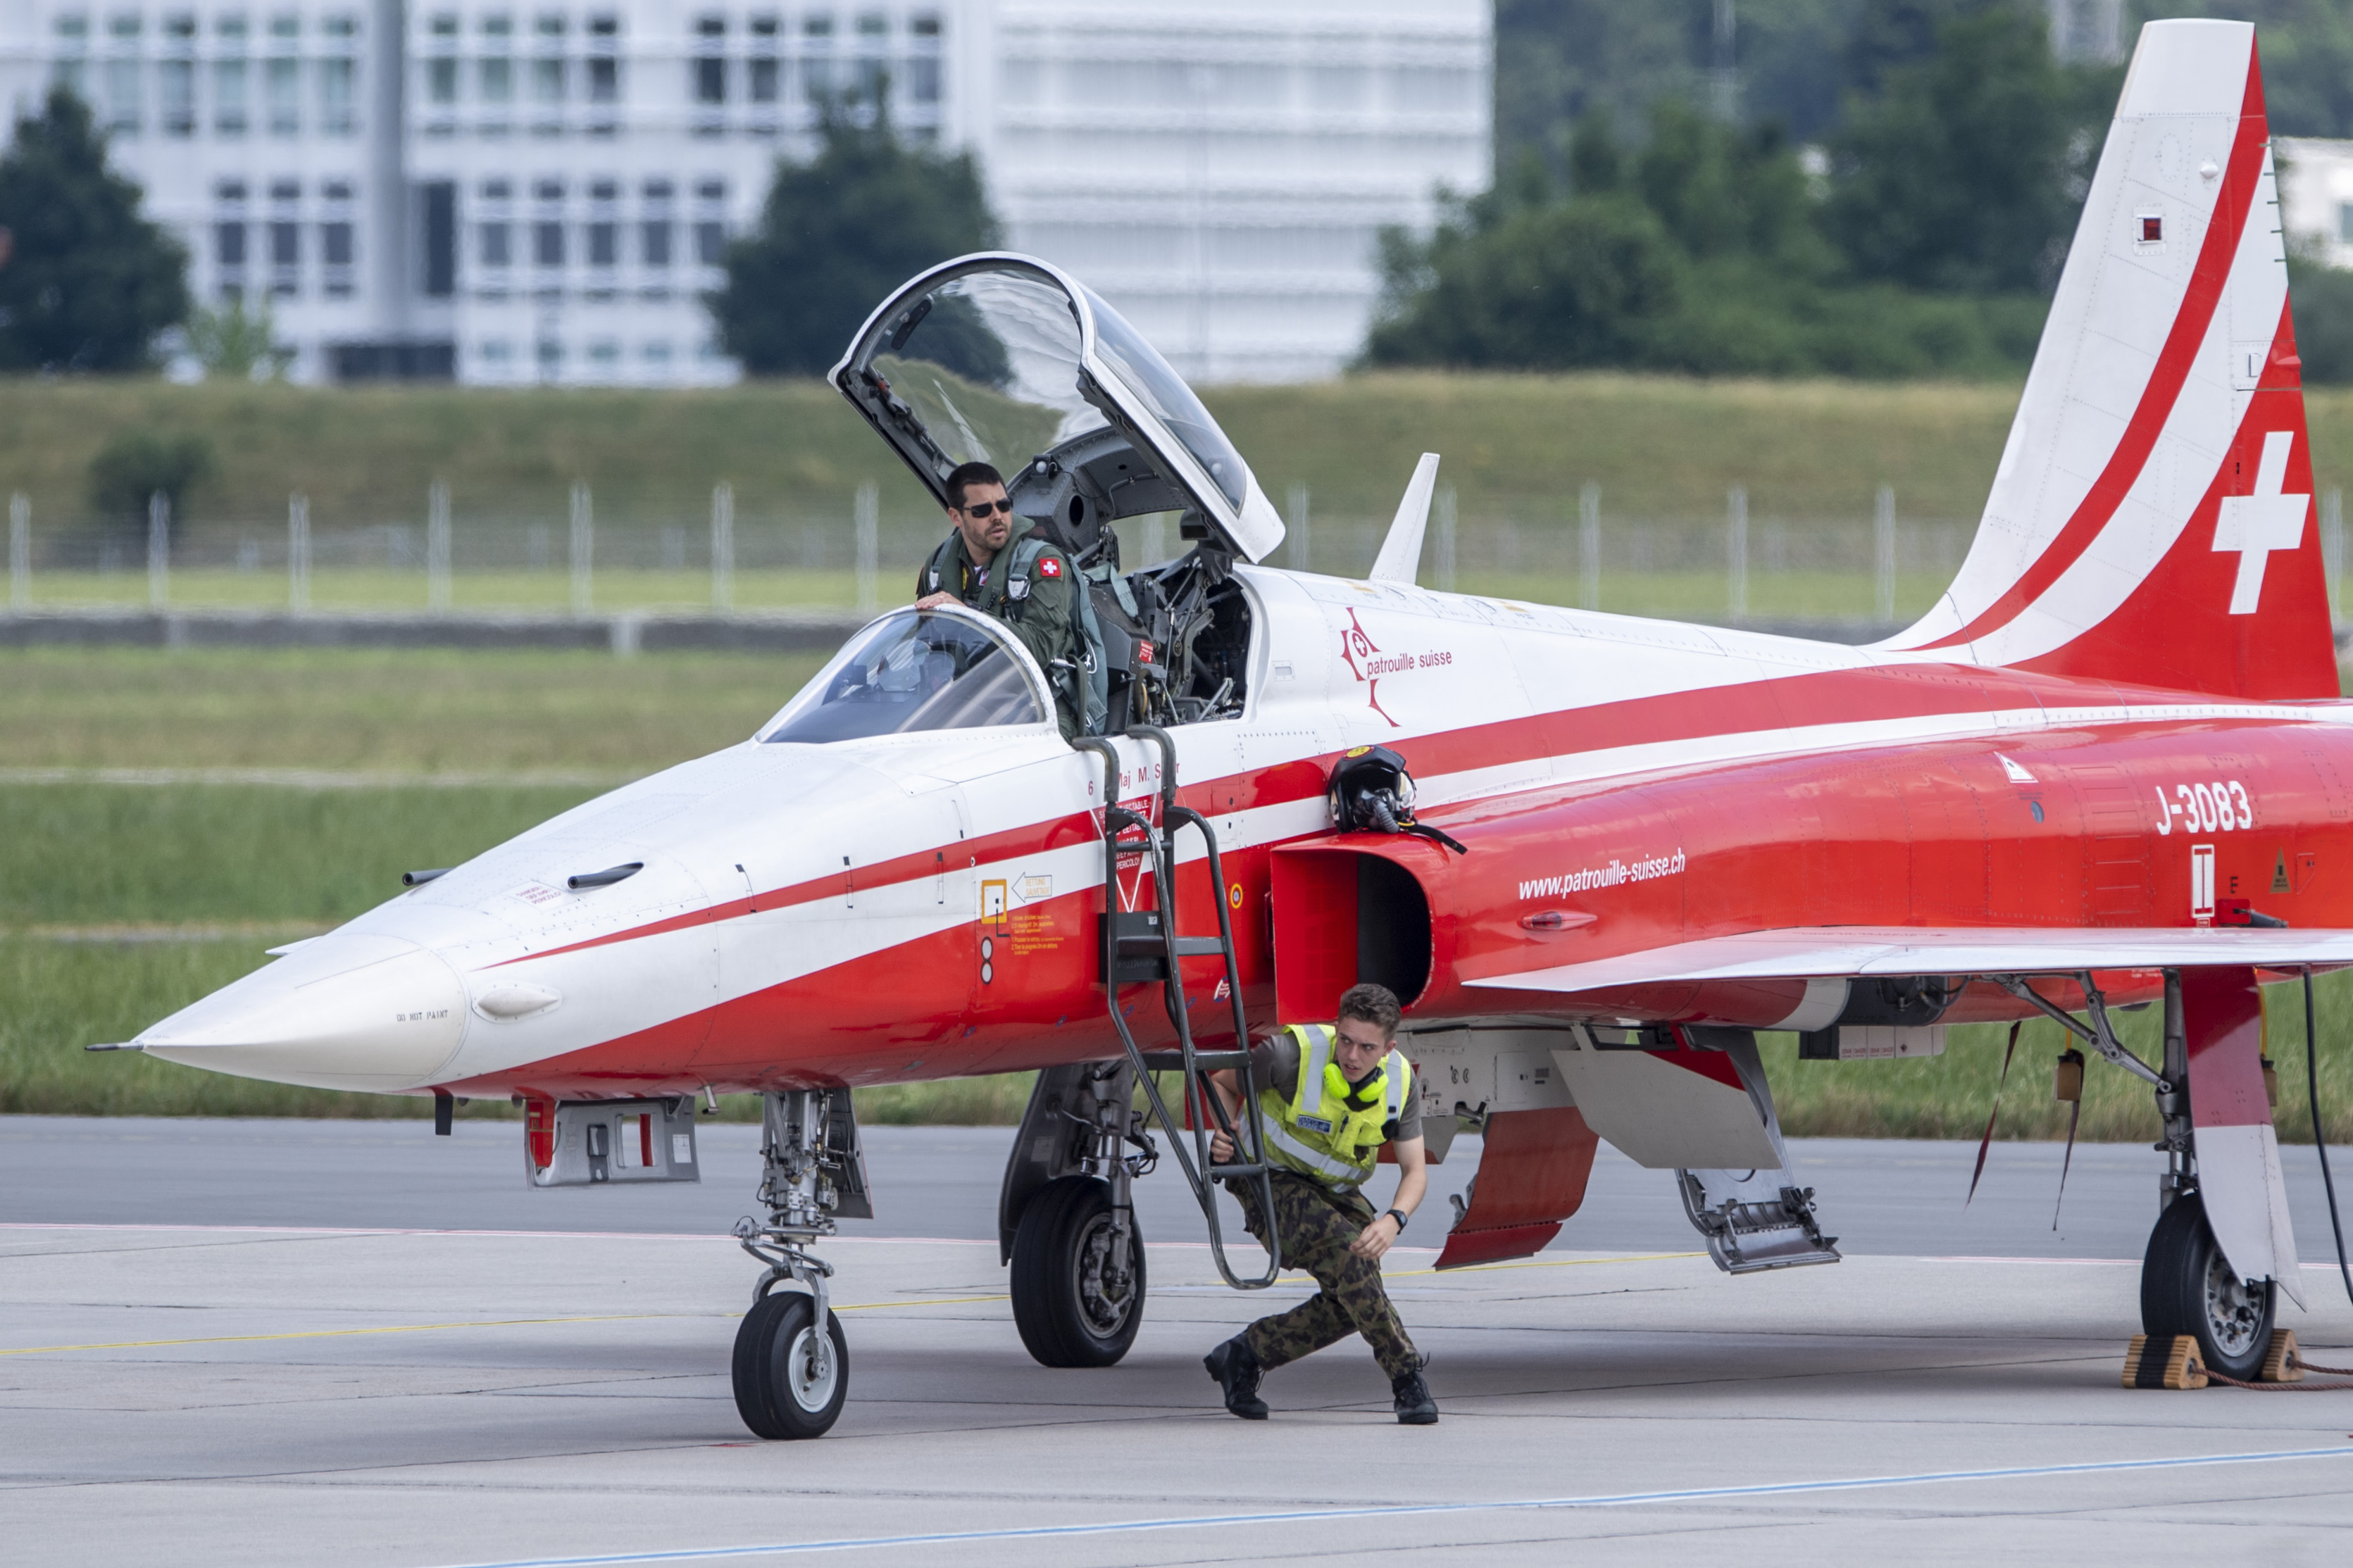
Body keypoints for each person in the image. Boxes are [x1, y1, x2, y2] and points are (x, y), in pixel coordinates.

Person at [1203, 981, 1437, 1425]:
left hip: (1333, 1190)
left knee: (1355, 1296)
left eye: (1367, 1047)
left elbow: (1416, 1172)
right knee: (1352, 1266)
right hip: (1268, 1179)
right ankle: (1406, 1379)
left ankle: (1245, 1354)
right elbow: (1222, 1081)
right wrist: (1224, 1131)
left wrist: (1393, 1219)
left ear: (1387, 1049)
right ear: (1336, 1027)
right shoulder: (1289, 1056)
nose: (1351, 1056)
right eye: (1345, 1040)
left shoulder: (1402, 1083)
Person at [913, 460, 1084, 740]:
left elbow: (1041, 646)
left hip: (1041, 708)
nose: (997, 517)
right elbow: (920, 641)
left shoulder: (1042, 563)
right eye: (982, 510)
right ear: (956, 517)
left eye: (1004, 505)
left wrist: (967, 616)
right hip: (963, 702)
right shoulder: (938, 567)